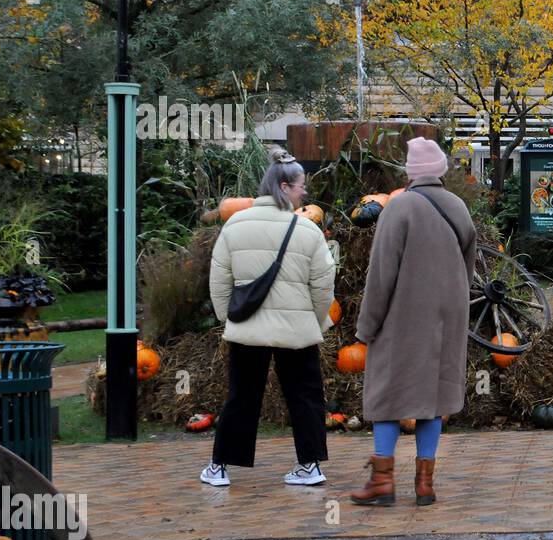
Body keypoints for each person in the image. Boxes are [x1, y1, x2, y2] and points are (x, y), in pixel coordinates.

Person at [350, 137, 477, 507]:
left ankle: (382, 482)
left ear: (410, 172)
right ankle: (425, 484)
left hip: (402, 317)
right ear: (440, 171)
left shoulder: (399, 207)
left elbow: (381, 274)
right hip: (447, 317)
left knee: (386, 394)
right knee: (433, 398)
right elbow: (467, 271)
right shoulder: (458, 208)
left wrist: (367, 325)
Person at [203, 148, 337, 487]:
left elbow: (219, 279)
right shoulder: (306, 230)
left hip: (248, 328)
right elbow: (324, 284)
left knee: (241, 396)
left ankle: (220, 467)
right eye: (300, 186)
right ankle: (310, 466)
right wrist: (315, 320)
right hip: (298, 332)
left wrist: (228, 319)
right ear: (283, 186)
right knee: (305, 396)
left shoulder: (235, 224)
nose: (305, 192)